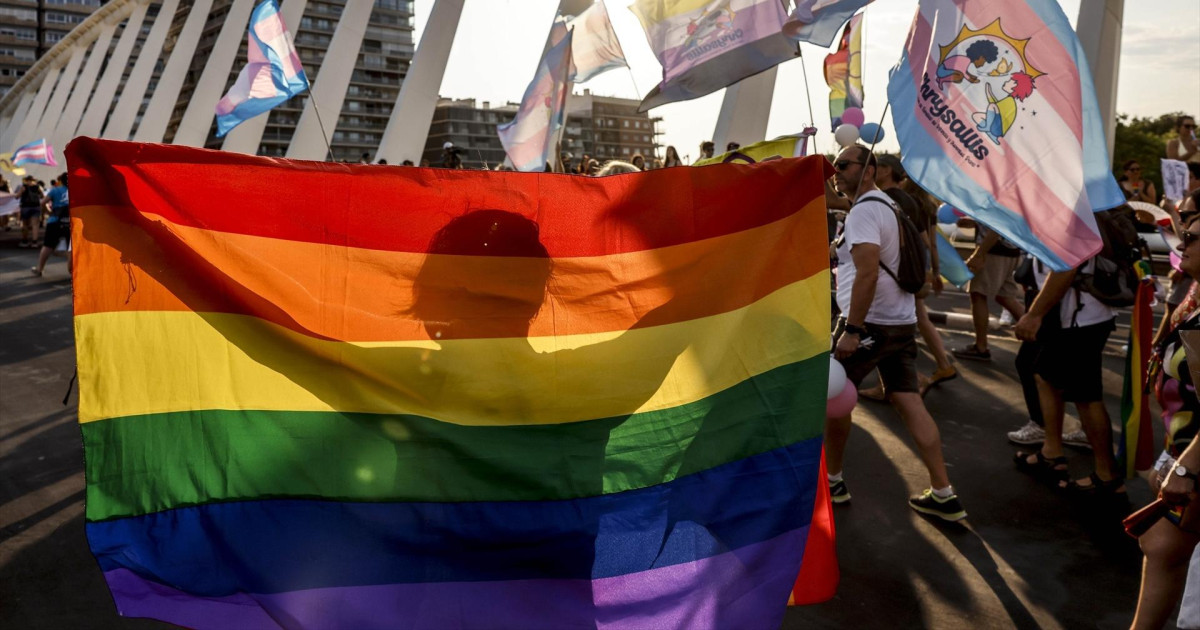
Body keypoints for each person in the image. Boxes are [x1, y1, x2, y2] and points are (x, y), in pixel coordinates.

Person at [827, 144, 966, 522]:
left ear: (869, 170)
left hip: (869, 323)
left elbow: (868, 272)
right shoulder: (888, 206)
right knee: (908, 401)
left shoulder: (866, 212)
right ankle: (943, 493)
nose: (835, 170)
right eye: (833, 165)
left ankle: (832, 482)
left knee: (832, 400)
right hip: (901, 320)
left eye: (843, 164)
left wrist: (852, 329)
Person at [1130, 216, 1200, 629]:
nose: (1180, 241)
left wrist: (1187, 466)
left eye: (1191, 236)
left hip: (1194, 463)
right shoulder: (1194, 293)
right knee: (1160, 544)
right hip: (1184, 453)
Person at [1013, 256, 1122, 495]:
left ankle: (1107, 476)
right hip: (1066, 315)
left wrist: (1034, 314)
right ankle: (1051, 453)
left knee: (1086, 395)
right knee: (1043, 375)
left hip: (1080, 318)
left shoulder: (1070, 218)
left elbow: (1066, 267)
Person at [859, 154, 956, 400]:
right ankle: (935, 368)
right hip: (913, 267)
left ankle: (922, 375)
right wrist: (932, 270)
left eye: (880, 167)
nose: (875, 170)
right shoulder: (923, 204)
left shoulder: (891, 200)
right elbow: (929, 242)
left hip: (898, 270)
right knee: (914, 319)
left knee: (903, 322)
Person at [954, 223, 1026, 361]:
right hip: (1011, 250)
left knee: (978, 295)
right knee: (1005, 297)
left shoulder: (1000, 200)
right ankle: (1039, 338)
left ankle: (981, 347)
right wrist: (975, 222)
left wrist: (979, 254)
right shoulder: (1012, 200)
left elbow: (995, 226)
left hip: (994, 251)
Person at [32, 173, 70, 277]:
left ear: (61, 181)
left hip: (55, 220)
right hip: (71, 223)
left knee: (48, 245)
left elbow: (42, 203)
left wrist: (49, 212)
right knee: (70, 247)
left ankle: (39, 268)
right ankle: (73, 273)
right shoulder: (76, 190)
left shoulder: (55, 190)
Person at [14, 175, 43, 248]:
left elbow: (17, 196)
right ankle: (34, 242)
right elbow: (42, 195)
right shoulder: (38, 186)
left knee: (25, 225)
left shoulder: (24, 186)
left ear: (26, 180)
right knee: (35, 225)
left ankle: (25, 241)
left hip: (25, 207)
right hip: (36, 206)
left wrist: (21, 192)